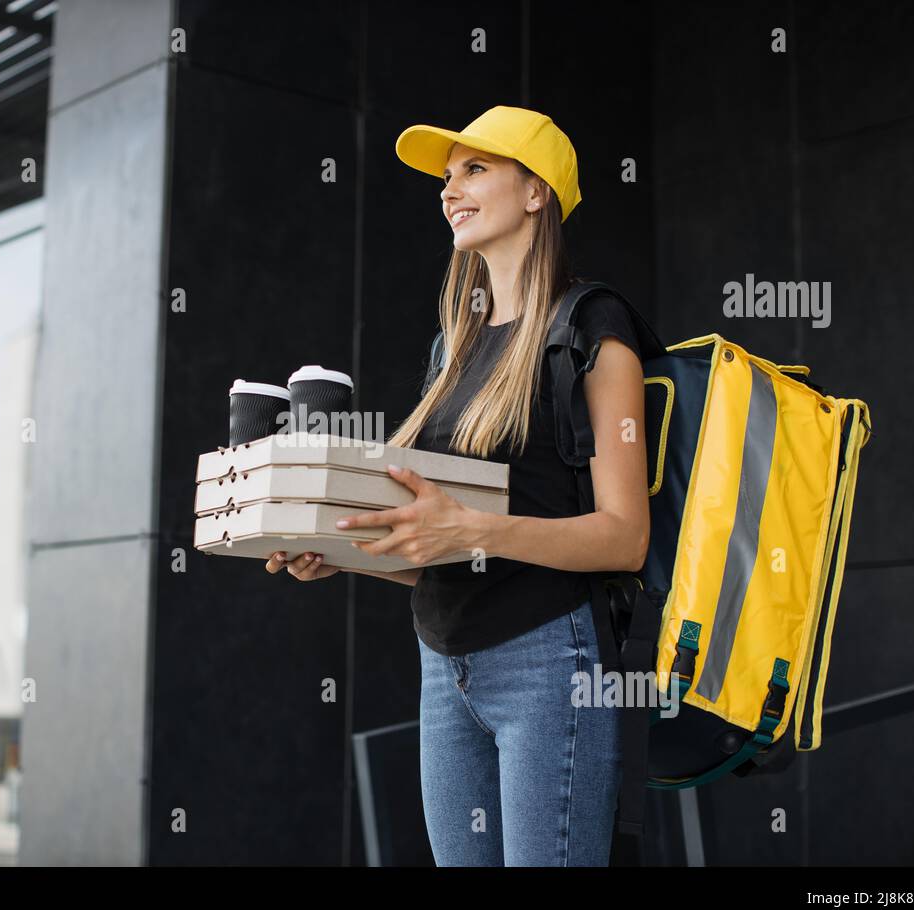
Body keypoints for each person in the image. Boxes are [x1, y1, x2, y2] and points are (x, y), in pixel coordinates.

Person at [264, 105, 649, 866]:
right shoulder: (454, 348)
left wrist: (471, 529)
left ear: (536, 192)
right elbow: (436, 546)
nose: (450, 190)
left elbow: (625, 536)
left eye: (475, 169)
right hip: (444, 667)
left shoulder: (590, 327)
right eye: (447, 176)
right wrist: (340, 550)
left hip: (548, 664)